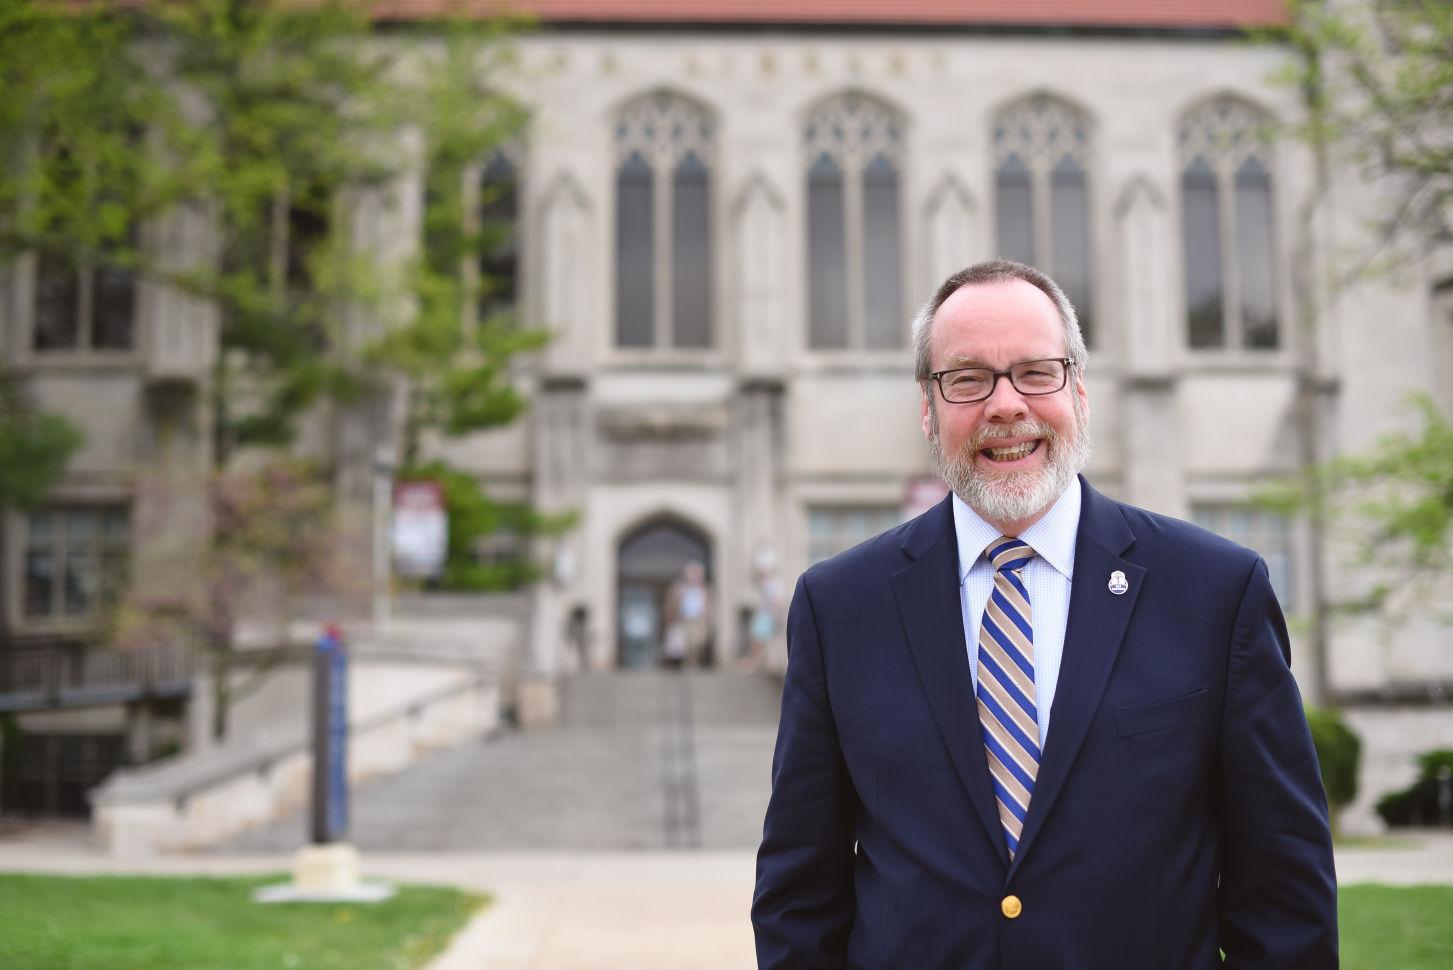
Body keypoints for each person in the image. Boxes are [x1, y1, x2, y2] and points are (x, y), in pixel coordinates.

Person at [752, 259, 1337, 969]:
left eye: (1035, 372)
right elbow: (798, 895)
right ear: (927, 408)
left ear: (1079, 391)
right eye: (966, 378)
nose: (1004, 405)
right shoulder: (839, 606)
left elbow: (1284, 891)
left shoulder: (1215, 592)